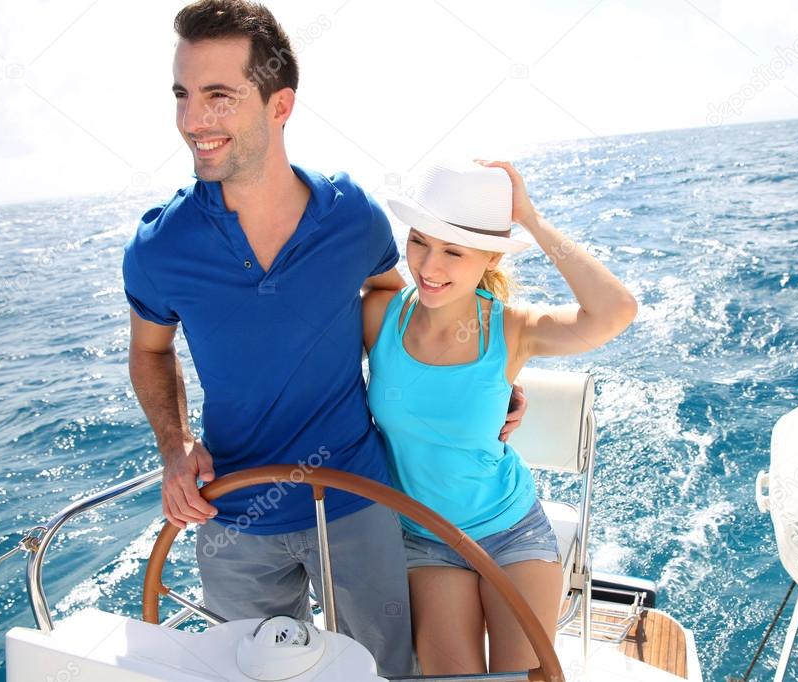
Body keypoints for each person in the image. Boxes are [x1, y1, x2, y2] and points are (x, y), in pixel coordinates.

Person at [120, 1, 527, 674]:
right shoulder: (159, 248)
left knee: (387, 668)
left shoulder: (350, 215)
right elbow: (149, 349)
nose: (193, 121)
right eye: (183, 96)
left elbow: (401, 298)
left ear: (280, 106)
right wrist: (173, 445)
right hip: (232, 514)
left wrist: (464, 374)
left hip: (358, 497)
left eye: (219, 96)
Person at [362, 159, 638, 674]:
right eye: (419, 241)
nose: (428, 266)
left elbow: (615, 311)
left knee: (524, 677)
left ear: (490, 256)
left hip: (512, 529)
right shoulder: (379, 314)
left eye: (453, 251)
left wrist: (530, 219)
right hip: (424, 536)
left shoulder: (512, 328)